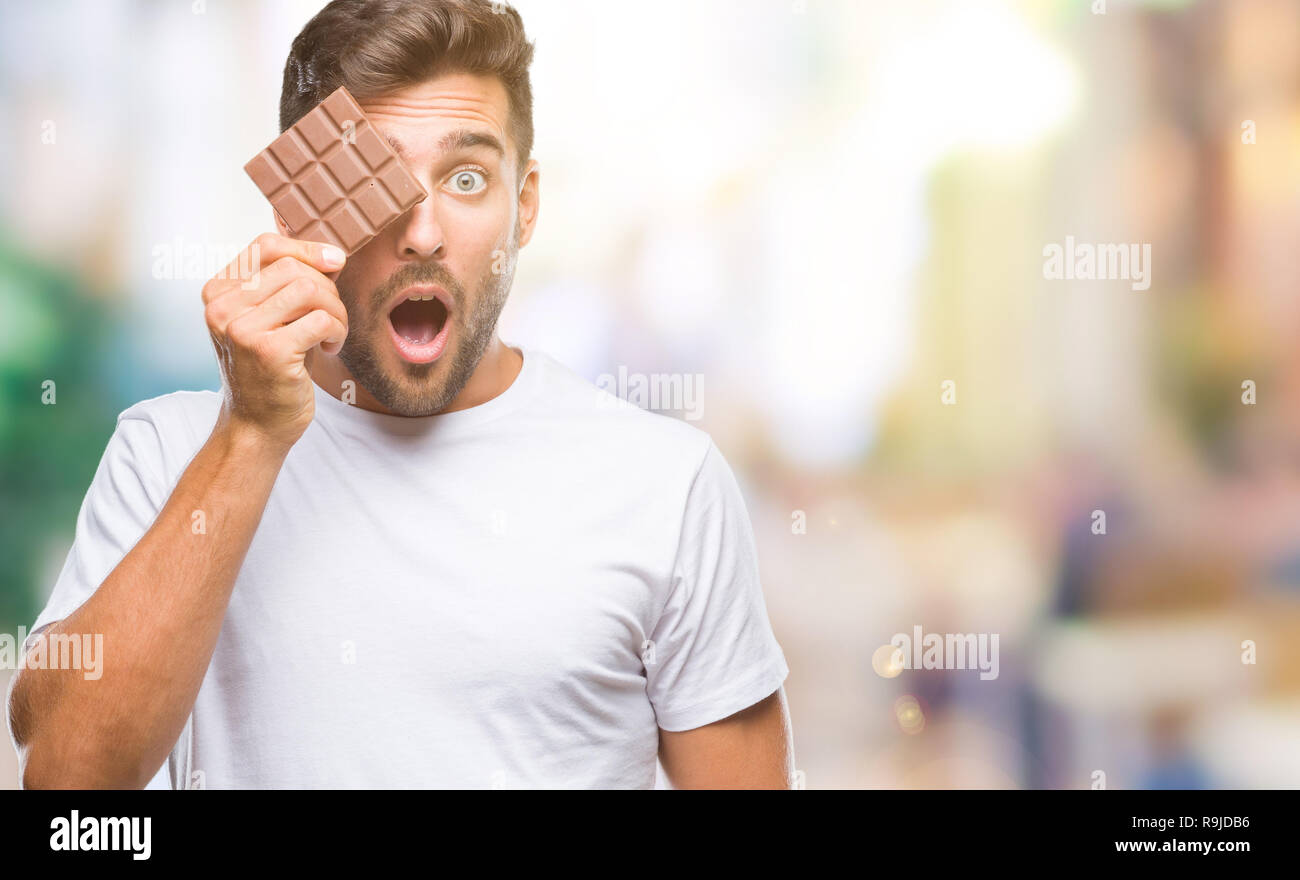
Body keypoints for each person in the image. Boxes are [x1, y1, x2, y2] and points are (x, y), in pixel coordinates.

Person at [6, 0, 793, 789]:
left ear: (524, 207)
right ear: (299, 208)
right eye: (373, 179)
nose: (421, 233)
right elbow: (64, 786)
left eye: (466, 177)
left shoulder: (666, 484)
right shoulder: (169, 453)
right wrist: (250, 435)